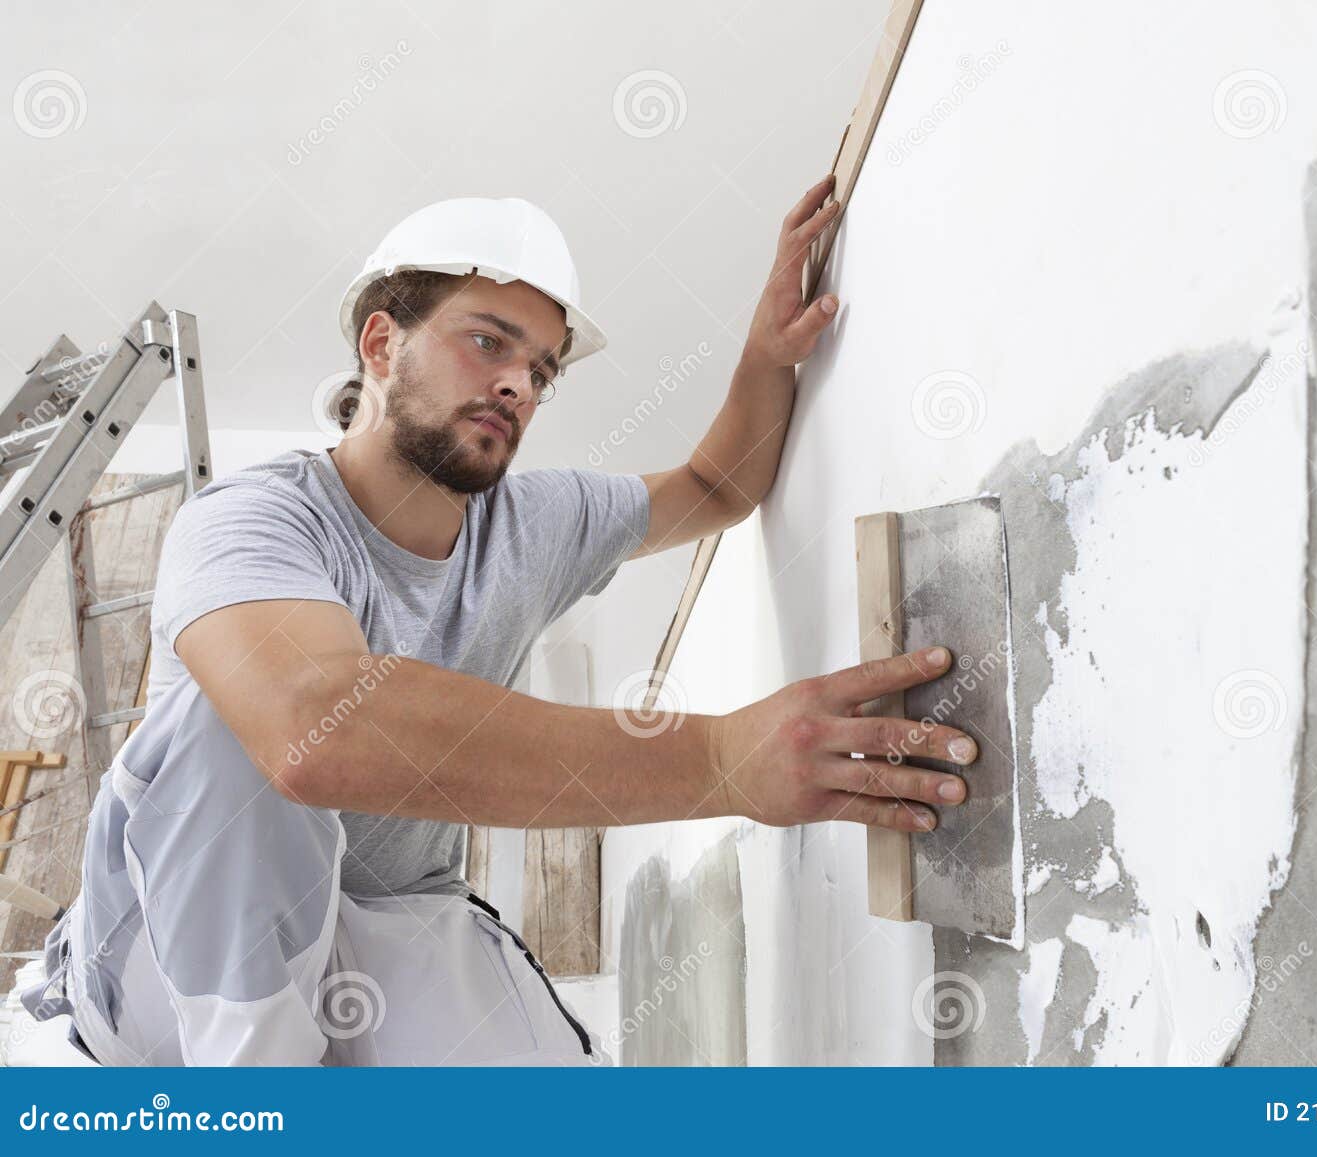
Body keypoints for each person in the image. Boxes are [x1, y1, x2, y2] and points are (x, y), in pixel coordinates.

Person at [21, 179, 976, 1066]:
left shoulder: (534, 523)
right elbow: (316, 728)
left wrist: (767, 354)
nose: (520, 383)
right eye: (488, 341)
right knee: (240, 719)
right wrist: (724, 759)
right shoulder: (255, 518)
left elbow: (714, 486)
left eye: (541, 369)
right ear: (382, 344)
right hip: (174, 949)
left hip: (391, 917)